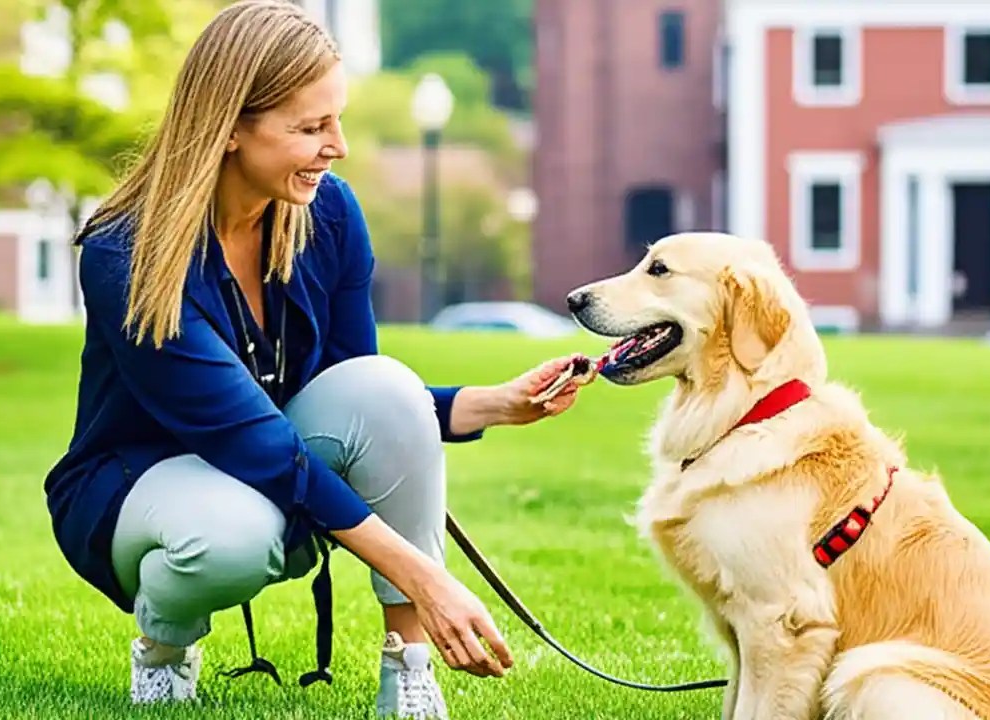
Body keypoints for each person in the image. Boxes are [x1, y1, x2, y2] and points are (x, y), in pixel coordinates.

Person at [42, 2, 586, 717]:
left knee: (383, 386)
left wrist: (492, 405)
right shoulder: (126, 254)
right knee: (232, 538)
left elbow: (357, 393)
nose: (339, 147)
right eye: (311, 127)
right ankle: (164, 647)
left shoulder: (328, 213)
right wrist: (425, 575)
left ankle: (407, 667)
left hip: (268, 473)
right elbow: (253, 440)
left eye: (338, 119)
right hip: (140, 488)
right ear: (230, 127)